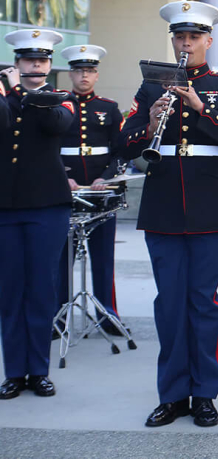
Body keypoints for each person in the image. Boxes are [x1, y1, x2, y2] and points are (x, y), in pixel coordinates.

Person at [121, 2, 218, 427]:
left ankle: (204, 394)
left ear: (208, 41)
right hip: (162, 205)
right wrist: (150, 120)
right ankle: (173, 393)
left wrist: (201, 107)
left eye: (194, 37)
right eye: (179, 37)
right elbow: (126, 142)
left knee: (203, 301)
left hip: (210, 205)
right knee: (169, 303)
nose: (185, 43)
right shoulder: (149, 88)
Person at [0, 29, 73, 400]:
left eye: (42, 61)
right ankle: (15, 371)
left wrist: (17, 91)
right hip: (6, 208)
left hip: (47, 208)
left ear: (48, 66)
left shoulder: (58, 99)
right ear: (17, 63)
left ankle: (38, 371)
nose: (35, 66)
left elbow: (55, 124)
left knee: (42, 290)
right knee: (10, 291)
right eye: (29, 60)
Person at [56, 44, 126, 336]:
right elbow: (48, 150)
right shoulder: (58, 107)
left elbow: (121, 150)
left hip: (101, 194)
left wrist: (107, 178)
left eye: (89, 71)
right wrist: (61, 178)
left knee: (103, 258)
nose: (84, 76)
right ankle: (56, 315)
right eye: (79, 71)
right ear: (70, 74)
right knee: (61, 259)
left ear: (96, 75)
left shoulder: (109, 108)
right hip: (65, 193)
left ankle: (107, 313)